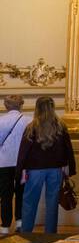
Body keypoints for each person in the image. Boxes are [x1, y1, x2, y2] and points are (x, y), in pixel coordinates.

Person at [16, 96, 76, 234]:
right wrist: (70, 167)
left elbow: (23, 152)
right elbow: (68, 149)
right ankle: (50, 234)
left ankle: (26, 233)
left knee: (29, 202)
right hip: (55, 169)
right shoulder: (61, 125)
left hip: (35, 170)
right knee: (52, 203)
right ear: (53, 107)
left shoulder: (31, 127)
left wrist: (18, 172)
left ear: (37, 108)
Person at [0, 95, 29, 233]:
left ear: (6, 106)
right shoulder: (30, 121)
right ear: (21, 105)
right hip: (23, 164)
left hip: (4, 163)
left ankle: (5, 226)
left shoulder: (1, 120)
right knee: (21, 193)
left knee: (5, 195)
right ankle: (20, 222)